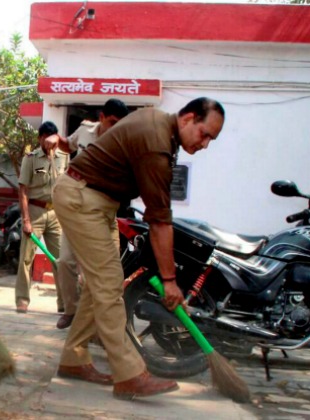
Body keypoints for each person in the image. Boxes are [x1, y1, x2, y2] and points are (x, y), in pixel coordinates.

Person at [52, 98, 225, 400]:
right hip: (83, 199)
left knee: (101, 285)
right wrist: (170, 282)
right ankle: (129, 375)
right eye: (204, 134)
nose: (205, 144)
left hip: (98, 201)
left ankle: (74, 358)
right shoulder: (156, 145)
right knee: (108, 286)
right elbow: (159, 222)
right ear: (188, 118)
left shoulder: (159, 125)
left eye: (212, 138)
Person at [55, 99, 129, 329]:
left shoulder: (123, 142)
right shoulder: (85, 130)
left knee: (100, 273)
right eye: (112, 122)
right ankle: (71, 310)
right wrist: (55, 139)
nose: (116, 128)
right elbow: (68, 145)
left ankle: (97, 323)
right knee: (64, 262)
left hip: (102, 212)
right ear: (102, 117)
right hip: (76, 207)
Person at [14, 122, 68, 314]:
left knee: (61, 260)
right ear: (40, 139)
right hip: (35, 212)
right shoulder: (30, 159)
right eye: (45, 138)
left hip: (56, 214)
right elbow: (23, 190)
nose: (48, 142)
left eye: (52, 138)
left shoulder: (64, 157)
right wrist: (26, 220)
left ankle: (64, 303)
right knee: (26, 259)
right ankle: (22, 300)